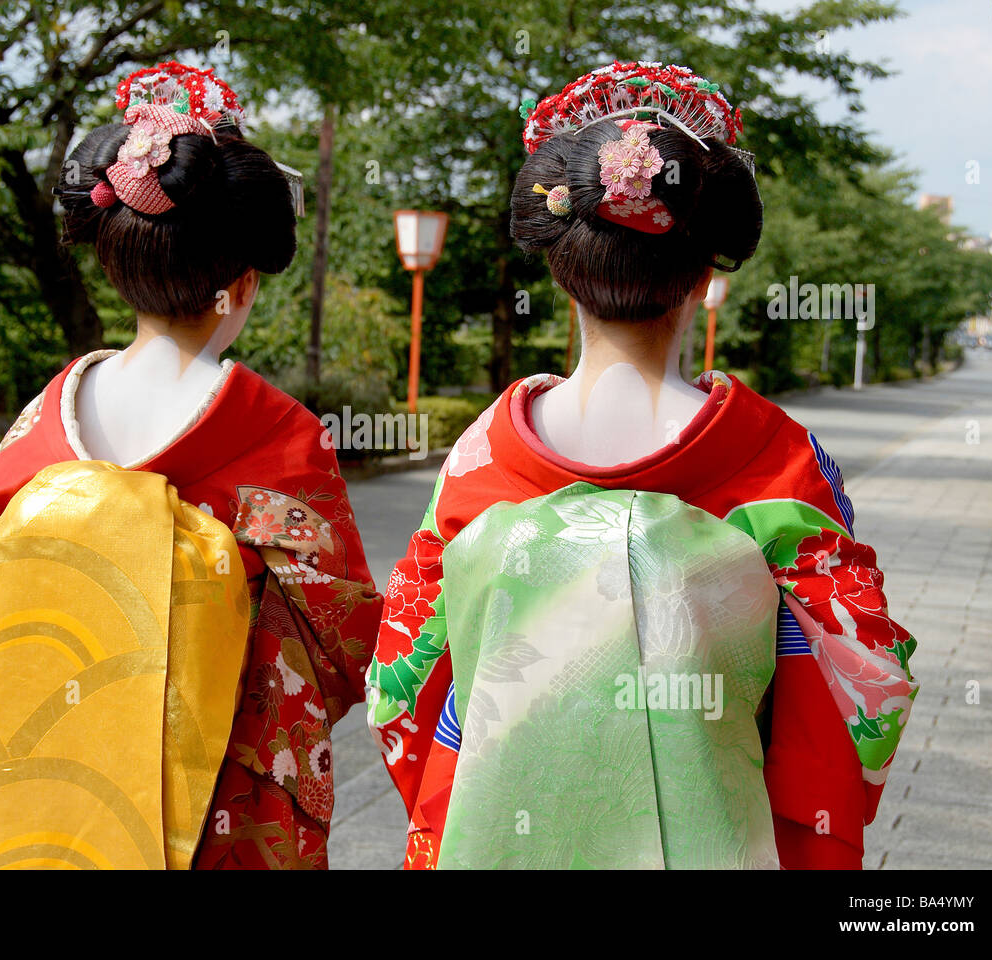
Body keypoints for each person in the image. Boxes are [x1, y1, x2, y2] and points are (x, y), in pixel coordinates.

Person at [366, 61, 918, 870]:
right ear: (703, 278)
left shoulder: (482, 460)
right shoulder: (779, 460)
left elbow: (404, 683)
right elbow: (860, 686)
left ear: (563, 272)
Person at [0, 62, 382, 870]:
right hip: (218, 804)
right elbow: (342, 643)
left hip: (64, 785)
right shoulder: (279, 435)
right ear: (241, 286)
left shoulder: (46, 419)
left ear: (117, 266)